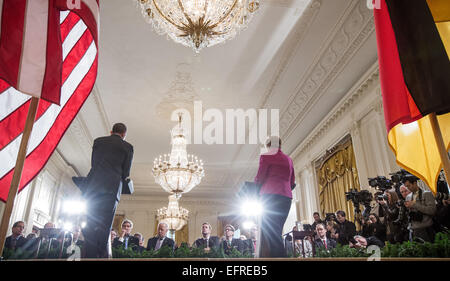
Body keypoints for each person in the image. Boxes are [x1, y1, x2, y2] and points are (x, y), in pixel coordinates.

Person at [73, 123, 134, 258]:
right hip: (111, 190)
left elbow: (94, 163)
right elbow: (125, 172)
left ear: (111, 131)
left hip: (94, 187)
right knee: (104, 225)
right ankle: (100, 256)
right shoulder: (128, 147)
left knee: (90, 222)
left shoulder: (98, 142)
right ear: (124, 134)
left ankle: (88, 255)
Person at [254, 136, 295, 258]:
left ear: (268, 145)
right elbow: (292, 182)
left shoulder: (266, 157)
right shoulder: (289, 159)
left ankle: (280, 258)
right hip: (286, 198)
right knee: (276, 231)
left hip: (270, 197)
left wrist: (255, 186)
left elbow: (260, 177)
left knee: (270, 231)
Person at [403, 176, 436, 242]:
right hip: (413, 229)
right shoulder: (408, 197)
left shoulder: (426, 194)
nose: (408, 188)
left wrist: (414, 205)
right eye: (406, 187)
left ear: (415, 183)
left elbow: (432, 210)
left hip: (425, 228)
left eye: (409, 186)